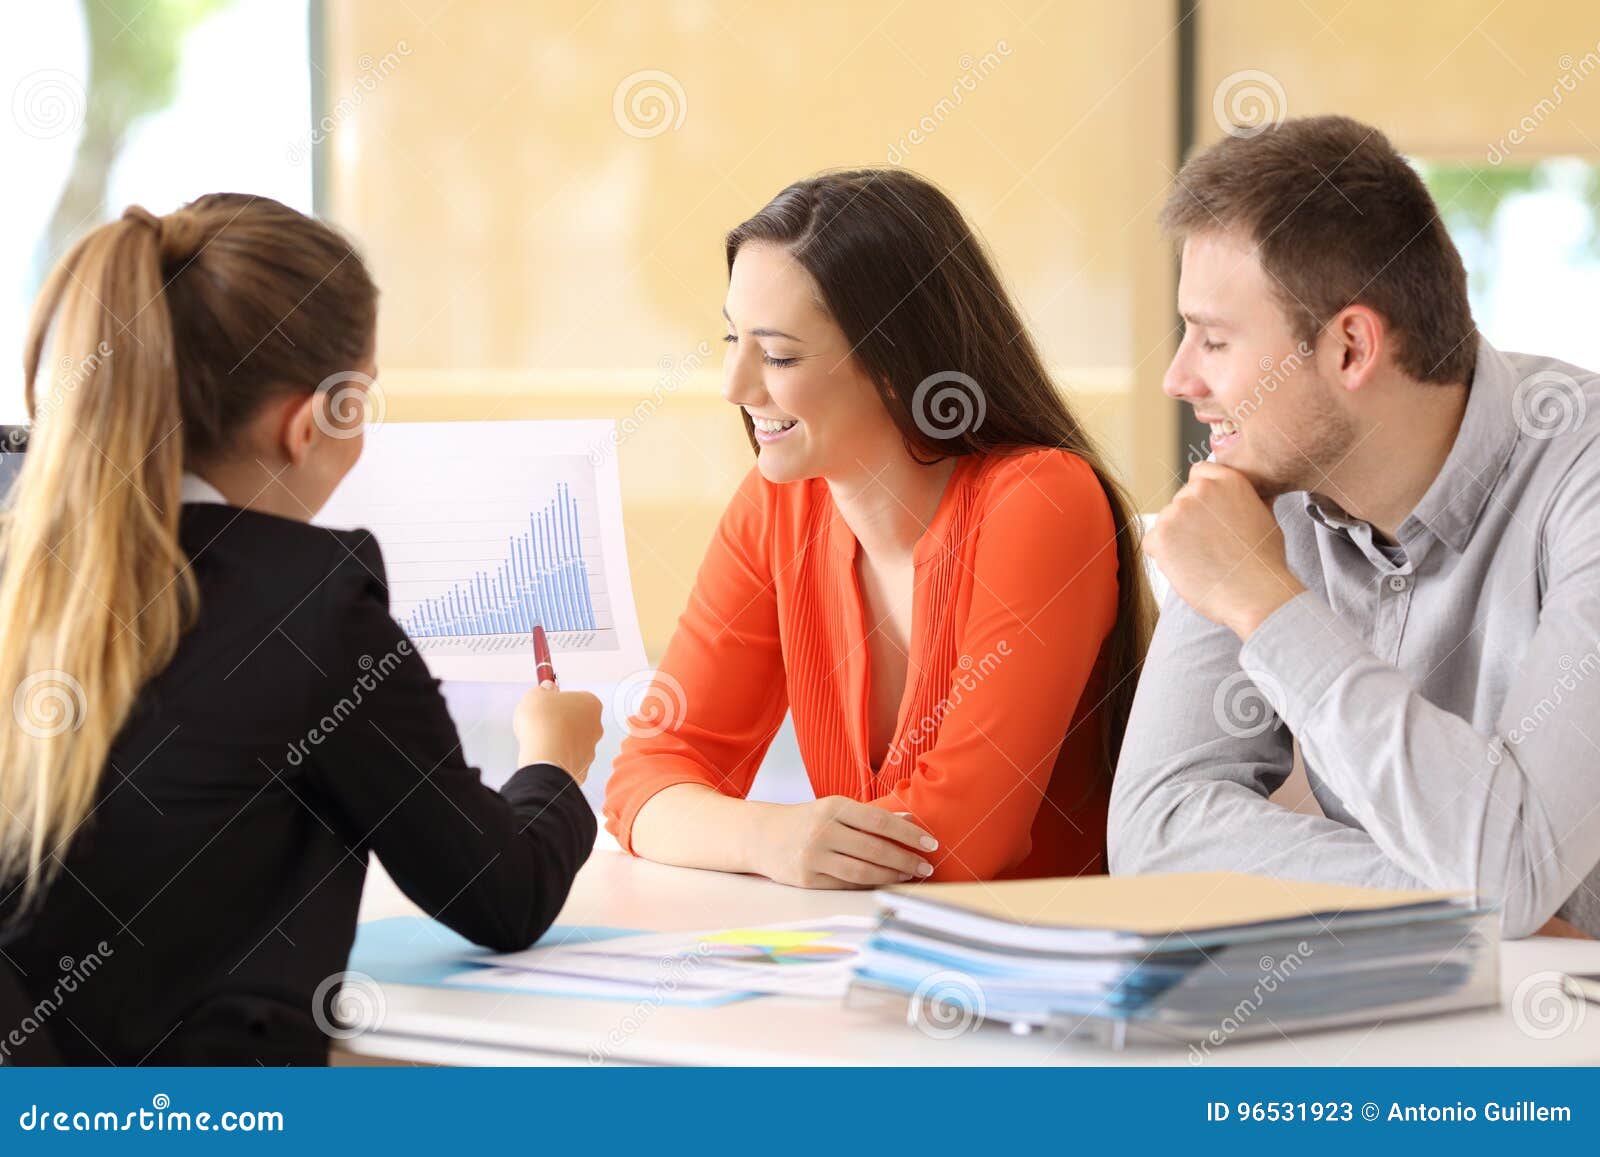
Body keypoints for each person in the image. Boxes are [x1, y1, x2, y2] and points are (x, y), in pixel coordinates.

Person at [0, 195, 604, 1065]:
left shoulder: (27, 566)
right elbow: (498, 895)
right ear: (308, 422)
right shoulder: (310, 615)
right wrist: (554, 763)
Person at [1111, 115, 1600, 939]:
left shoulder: (1579, 473)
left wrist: (1264, 600)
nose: (1177, 376)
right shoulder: (1260, 486)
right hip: (1431, 1012)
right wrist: (1466, 909)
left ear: (1349, 348)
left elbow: (1511, 860)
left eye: (1215, 339)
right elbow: (1156, 824)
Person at [603, 169, 1154, 887]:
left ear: (897, 361)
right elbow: (644, 780)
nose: (734, 387)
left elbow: (955, 845)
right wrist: (770, 834)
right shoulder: (778, 504)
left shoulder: (1040, 501)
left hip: (1035, 975)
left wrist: (757, 833)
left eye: (777, 354)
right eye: (732, 339)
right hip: (865, 958)